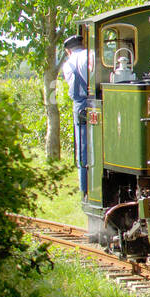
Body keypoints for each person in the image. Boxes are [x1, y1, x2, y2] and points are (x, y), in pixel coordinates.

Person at [60, 34, 91, 197]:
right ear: (82, 44)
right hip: (96, 101)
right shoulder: (89, 56)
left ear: (68, 51)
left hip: (79, 105)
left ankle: (84, 188)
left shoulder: (67, 64)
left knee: (82, 147)